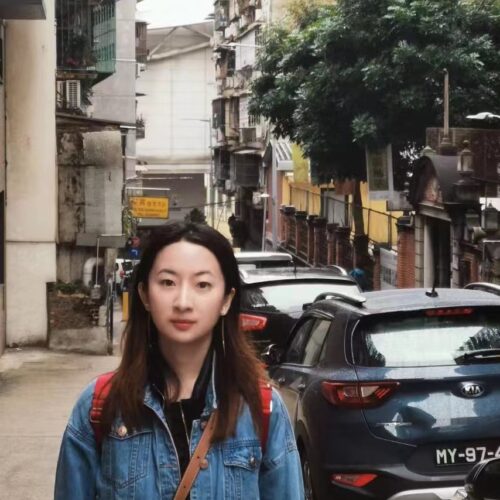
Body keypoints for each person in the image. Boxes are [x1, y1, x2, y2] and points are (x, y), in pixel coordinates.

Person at [54, 221, 304, 500]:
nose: (183, 302)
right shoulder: (99, 406)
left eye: (202, 284)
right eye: (168, 282)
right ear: (145, 295)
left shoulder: (263, 409)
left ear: (226, 300)